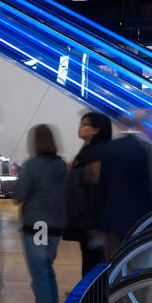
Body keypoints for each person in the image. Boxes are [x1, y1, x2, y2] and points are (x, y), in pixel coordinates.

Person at [14, 124, 68, 303]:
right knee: (48, 272)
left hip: (37, 225)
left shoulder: (32, 166)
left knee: (40, 274)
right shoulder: (62, 165)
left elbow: (20, 195)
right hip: (55, 225)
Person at [93, 113, 152, 261]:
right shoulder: (145, 150)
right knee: (137, 266)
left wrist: (97, 221)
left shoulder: (111, 148)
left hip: (113, 217)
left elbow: (102, 186)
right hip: (139, 219)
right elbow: (148, 189)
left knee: (114, 264)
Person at [64, 111, 112, 279]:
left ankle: (92, 299)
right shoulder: (88, 150)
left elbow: (95, 189)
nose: (80, 128)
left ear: (96, 130)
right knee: (90, 258)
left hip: (91, 219)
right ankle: (88, 296)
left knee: (94, 260)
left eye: (84, 124)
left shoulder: (97, 153)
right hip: (85, 218)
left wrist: (94, 224)